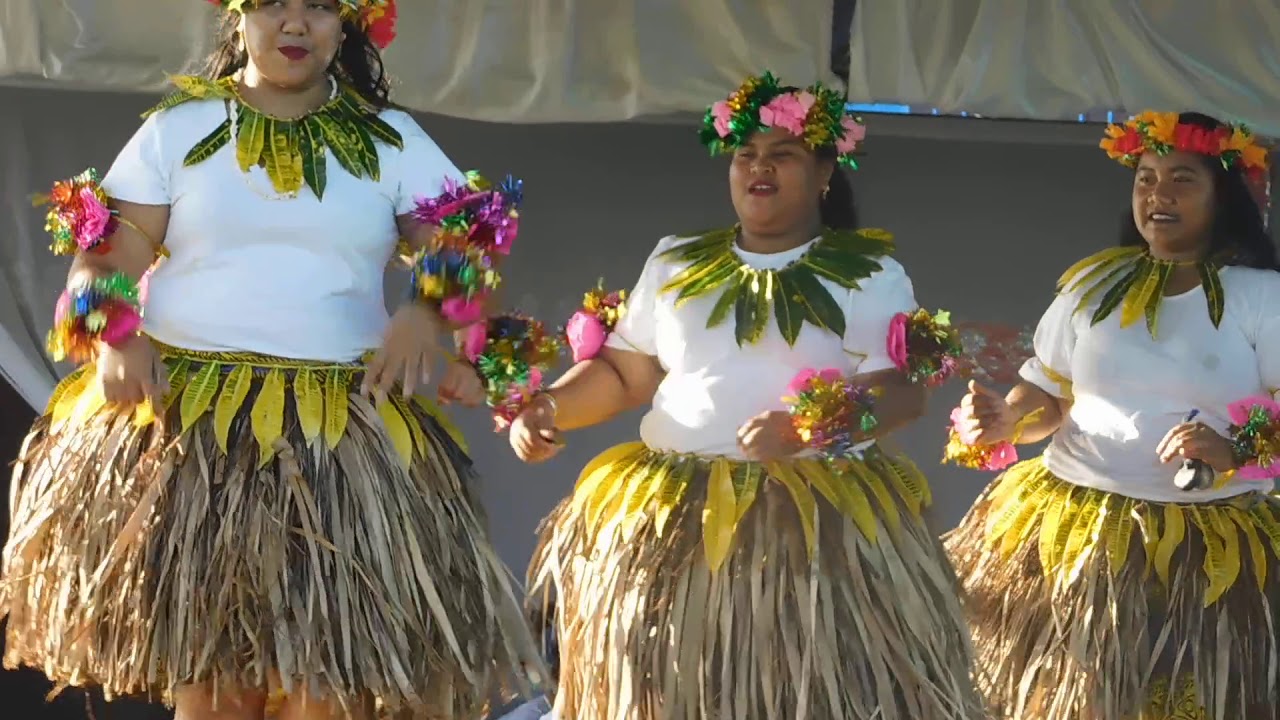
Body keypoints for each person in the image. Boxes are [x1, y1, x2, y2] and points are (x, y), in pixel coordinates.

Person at [0, 1, 544, 718]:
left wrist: (422, 310)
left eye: (318, 6)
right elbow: (103, 259)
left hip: (341, 439)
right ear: (238, 18)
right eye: (273, 5)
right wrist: (118, 337)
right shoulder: (179, 128)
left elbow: (463, 239)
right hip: (192, 431)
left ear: (348, 24)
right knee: (216, 684)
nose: (295, 24)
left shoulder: (391, 140)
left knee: (325, 690)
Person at [509, 72, 984, 720]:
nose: (759, 168)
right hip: (673, 517)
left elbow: (900, 395)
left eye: (781, 154)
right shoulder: (676, 262)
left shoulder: (866, 274)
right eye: (746, 155)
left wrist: (810, 430)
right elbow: (625, 374)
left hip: (810, 523)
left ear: (823, 173)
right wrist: (549, 408)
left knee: (796, 694)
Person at [944, 111, 1280, 719]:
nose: (1159, 194)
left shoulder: (1261, 296)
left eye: (1182, 179)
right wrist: (1006, 421)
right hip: (1078, 533)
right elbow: (1047, 395)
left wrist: (1233, 450)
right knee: (1069, 702)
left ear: (1223, 195)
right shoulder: (1092, 287)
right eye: (1146, 178)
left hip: (1203, 550)